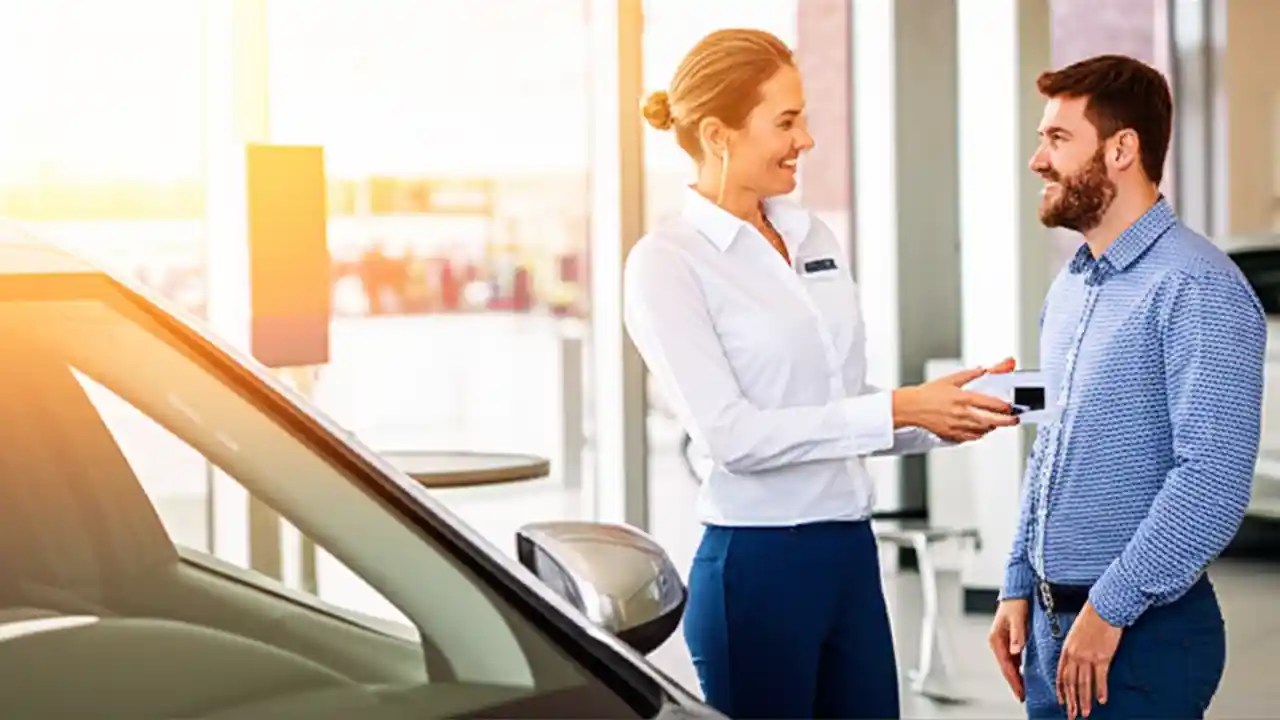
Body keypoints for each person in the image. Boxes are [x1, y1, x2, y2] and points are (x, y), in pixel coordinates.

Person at [624, 28, 1018, 719]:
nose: (805, 139)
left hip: (849, 555)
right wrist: (898, 409)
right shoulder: (668, 262)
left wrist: (940, 417)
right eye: (786, 121)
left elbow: (835, 407)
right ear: (718, 135)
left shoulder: (812, 237)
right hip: (758, 568)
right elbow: (732, 438)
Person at [987, 54, 1266, 720]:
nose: (1037, 160)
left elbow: (1211, 481)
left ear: (1121, 150)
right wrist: (1018, 581)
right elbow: (1051, 449)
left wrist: (1107, 611)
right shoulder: (1075, 284)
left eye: (1057, 139)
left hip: (1138, 637)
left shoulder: (1197, 287)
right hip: (1057, 630)